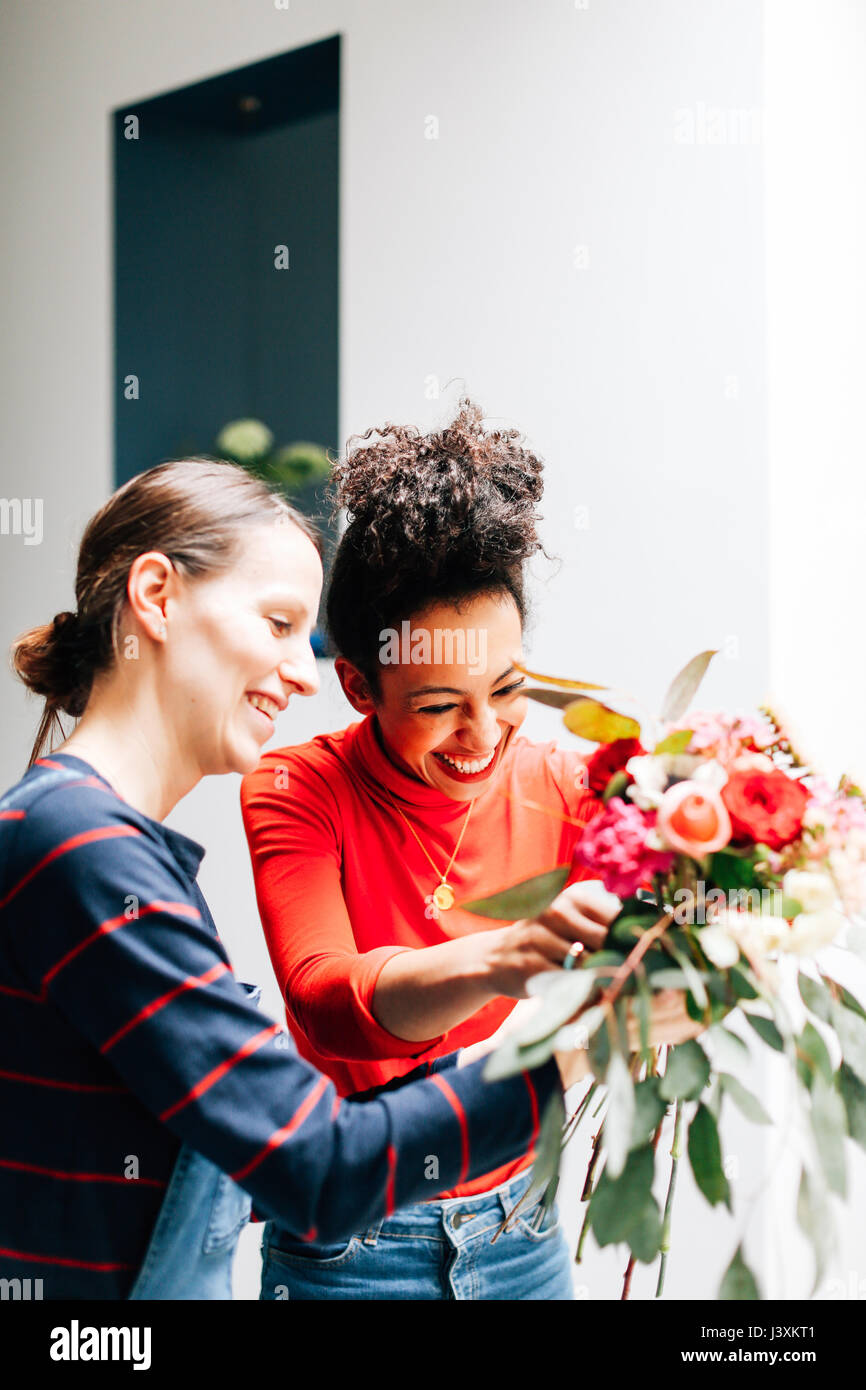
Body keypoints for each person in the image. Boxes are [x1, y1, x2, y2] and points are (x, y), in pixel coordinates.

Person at [0, 457, 598, 1302]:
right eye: (278, 623)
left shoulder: (87, 837)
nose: (304, 673)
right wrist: (566, 1047)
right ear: (157, 597)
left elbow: (235, 1149)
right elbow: (316, 1165)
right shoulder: (81, 850)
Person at [241, 401, 698, 1301]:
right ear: (359, 685)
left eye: (507, 686)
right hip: (350, 1247)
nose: (482, 733)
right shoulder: (300, 789)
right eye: (440, 703)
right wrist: (506, 957)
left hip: (523, 1232)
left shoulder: (571, 783)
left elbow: (694, 883)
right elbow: (329, 1002)